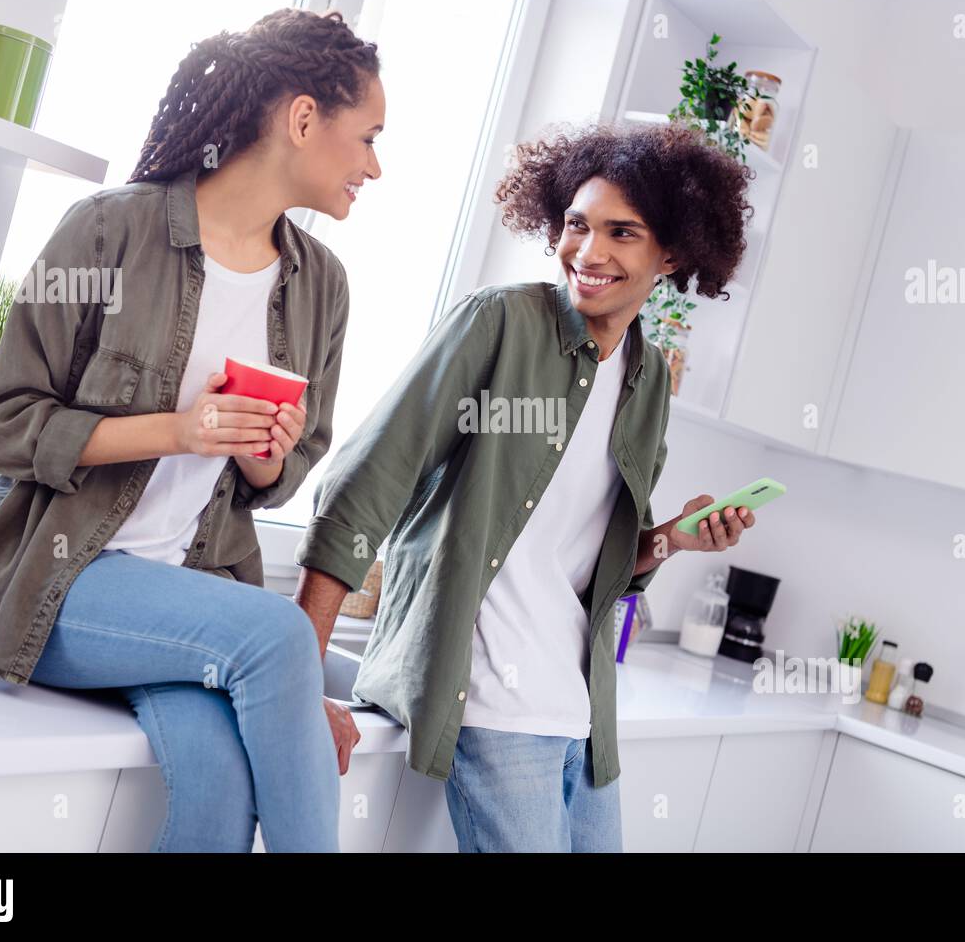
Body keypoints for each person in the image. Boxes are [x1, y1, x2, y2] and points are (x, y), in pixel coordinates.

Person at [0, 7, 381, 852]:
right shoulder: (109, 229)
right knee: (283, 632)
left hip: (196, 593)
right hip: (66, 580)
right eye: (367, 137)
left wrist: (262, 459)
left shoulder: (322, 284)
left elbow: (285, 474)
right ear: (303, 118)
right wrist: (179, 429)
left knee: (215, 790)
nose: (375, 165)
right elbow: (4, 425)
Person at [294, 121, 756, 851]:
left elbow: (589, 563)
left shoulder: (649, 380)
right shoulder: (499, 324)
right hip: (494, 706)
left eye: (622, 233)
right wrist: (297, 683)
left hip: (581, 712)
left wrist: (673, 541)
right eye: (577, 224)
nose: (590, 252)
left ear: (670, 254)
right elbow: (365, 487)